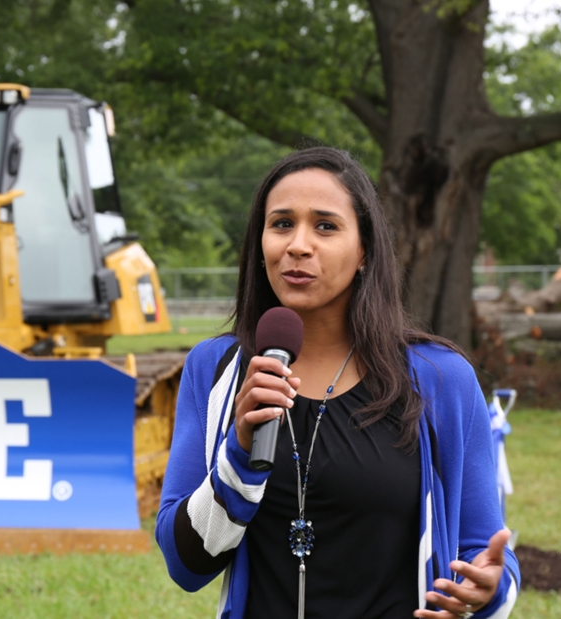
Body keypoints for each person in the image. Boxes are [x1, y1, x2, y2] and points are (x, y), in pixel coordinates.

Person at [156, 147, 520, 619]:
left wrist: (486, 591)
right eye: (281, 223)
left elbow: (485, 553)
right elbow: (186, 566)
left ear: (364, 250)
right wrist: (240, 453)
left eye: (325, 226)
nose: (298, 245)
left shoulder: (441, 379)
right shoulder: (216, 369)